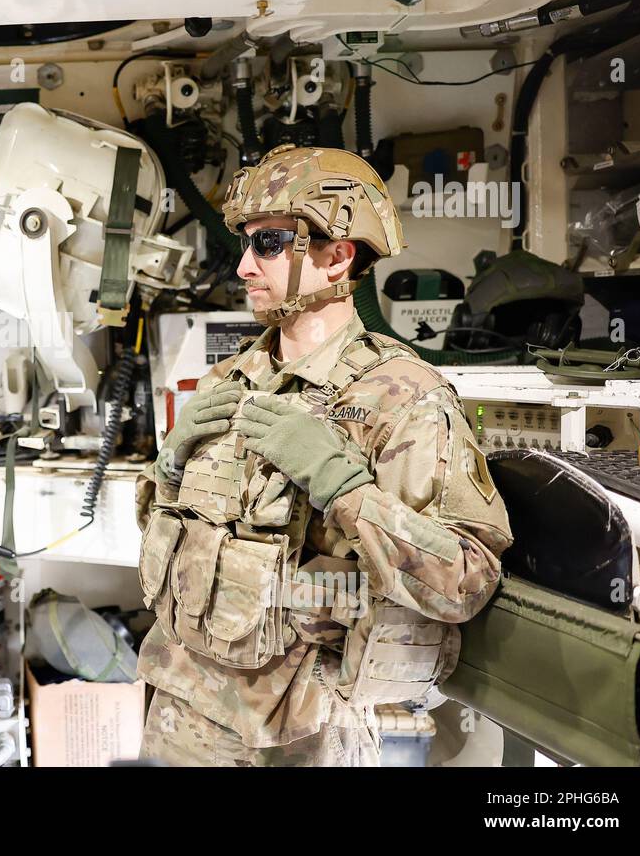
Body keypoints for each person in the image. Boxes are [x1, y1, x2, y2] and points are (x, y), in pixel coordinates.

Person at [136, 144, 513, 766]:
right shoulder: (230, 380)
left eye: (270, 244)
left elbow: (466, 582)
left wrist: (344, 490)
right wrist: (165, 471)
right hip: (178, 712)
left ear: (337, 256)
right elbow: (168, 544)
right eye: (246, 246)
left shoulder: (404, 398)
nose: (245, 268)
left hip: (300, 735)